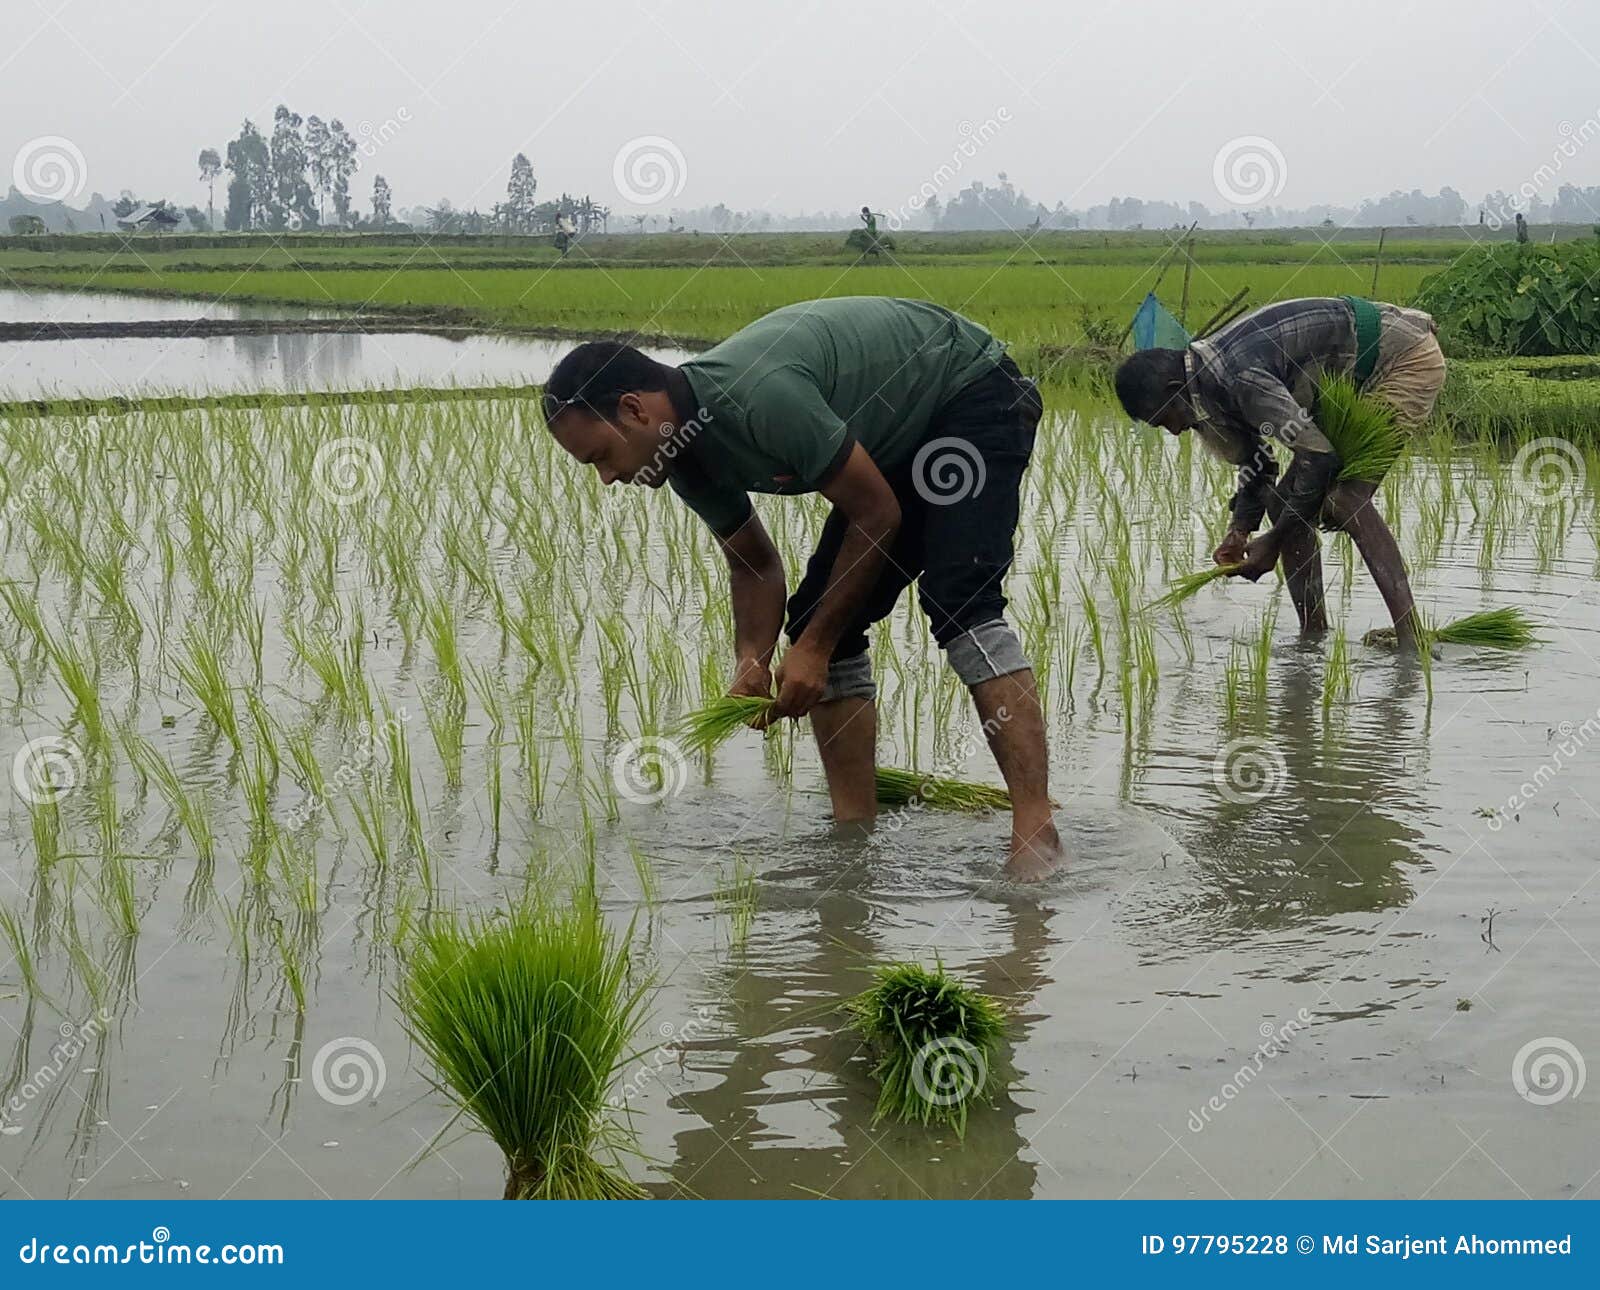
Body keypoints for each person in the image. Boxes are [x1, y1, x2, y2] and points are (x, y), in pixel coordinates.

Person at [542, 297, 1061, 877]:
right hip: (895, 435)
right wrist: (752, 661)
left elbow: (877, 514)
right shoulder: (681, 456)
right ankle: (854, 838)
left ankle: (1036, 831)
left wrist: (810, 651)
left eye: (601, 457)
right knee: (819, 616)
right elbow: (754, 565)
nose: (609, 477)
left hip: (969, 389)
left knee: (959, 595)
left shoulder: (758, 396)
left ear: (634, 410)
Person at [1112, 296, 1446, 649]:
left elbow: (1319, 459)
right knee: (1282, 500)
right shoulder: (1203, 386)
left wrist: (1273, 540)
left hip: (1404, 357)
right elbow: (1259, 462)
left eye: (1166, 420)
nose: (1175, 432)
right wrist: (1240, 531)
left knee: (1345, 499)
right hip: (1351, 374)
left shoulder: (1240, 378)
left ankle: (1412, 643)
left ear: (1174, 390)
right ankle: (1313, 635)